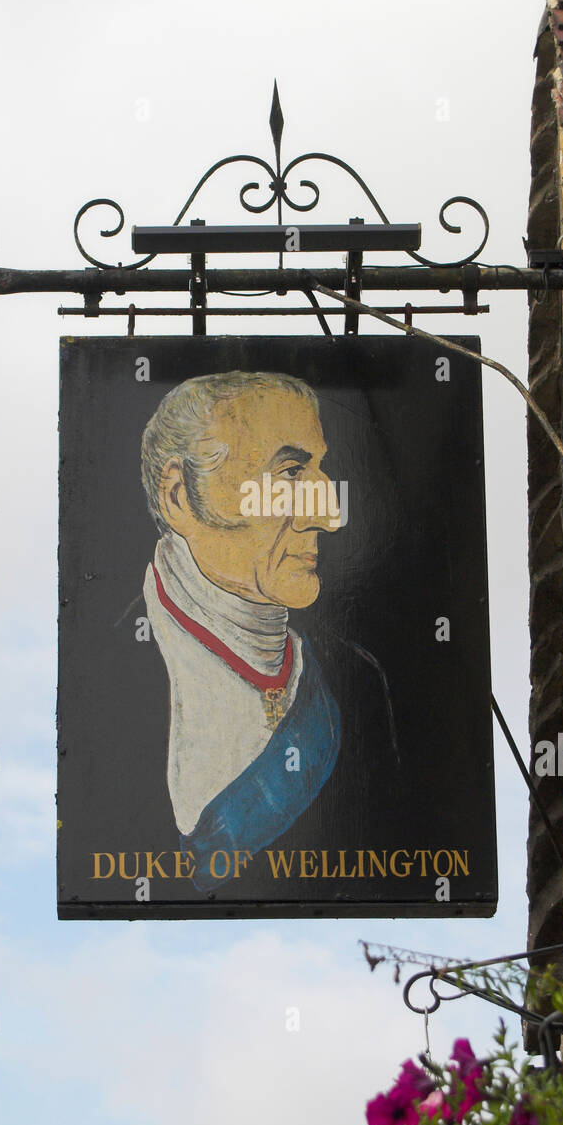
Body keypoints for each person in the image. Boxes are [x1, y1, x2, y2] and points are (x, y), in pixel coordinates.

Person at [139, 370, 400, 894]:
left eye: (319, 470)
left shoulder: (359, 680)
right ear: (179, 498)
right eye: (289, 473)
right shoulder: (107, 673)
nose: (329, 515)